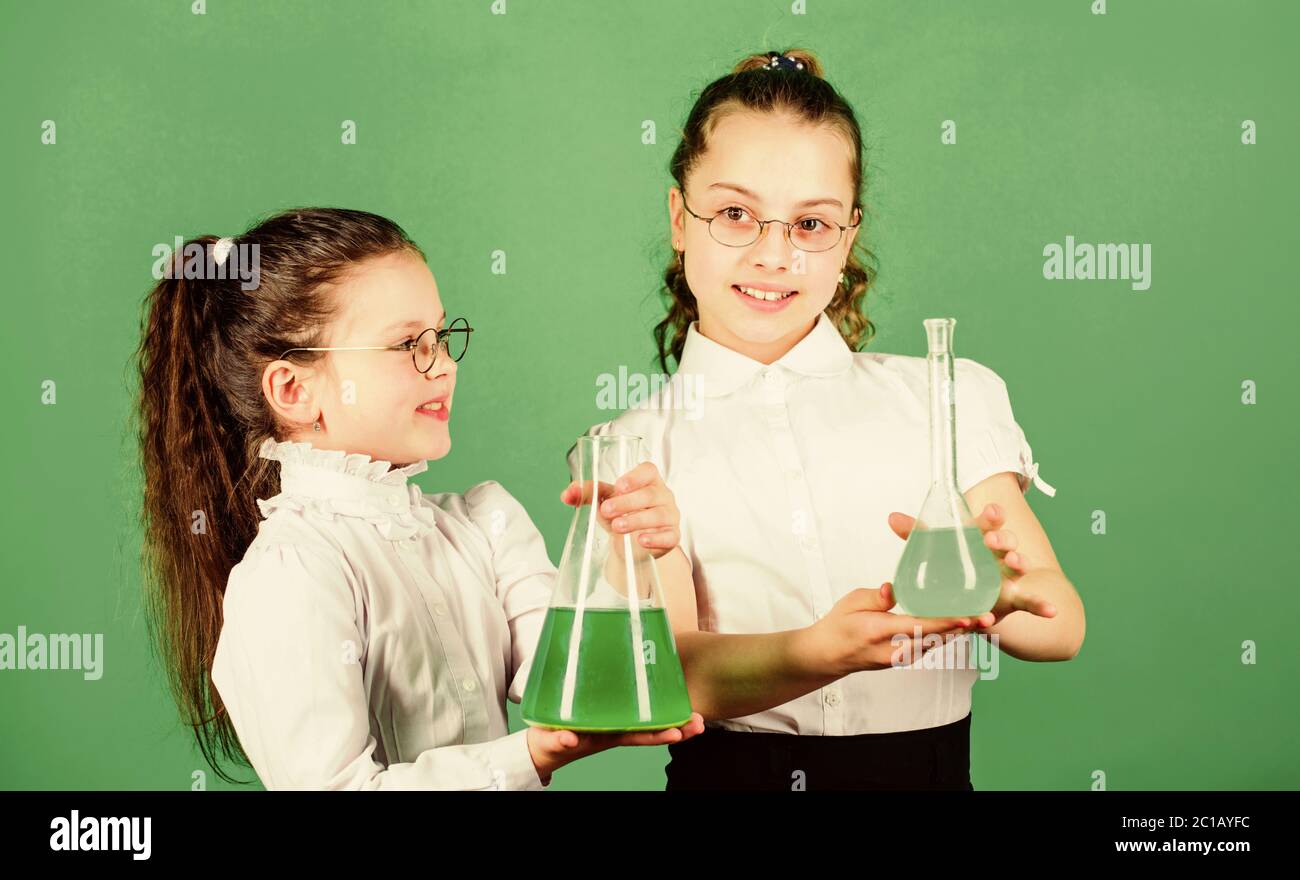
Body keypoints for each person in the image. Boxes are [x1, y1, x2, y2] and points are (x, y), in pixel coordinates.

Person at [577, 50, 1085, 790]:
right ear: (678, 219)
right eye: (735, 214)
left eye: (810, 222)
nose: (773, 254)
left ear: (847, 237)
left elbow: (1060, 624)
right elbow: (674, 678)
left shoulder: (947, 397)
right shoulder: (632, 450)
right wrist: (821, 650)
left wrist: (998, 597)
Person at [135, 207, 703, 790]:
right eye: (408, 344)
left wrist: (625, 550)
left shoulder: (485, 525)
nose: (444, 365)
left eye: (440, 336)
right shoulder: (292, 572)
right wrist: (526, 757)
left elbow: (575, 688)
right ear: (294, 390)